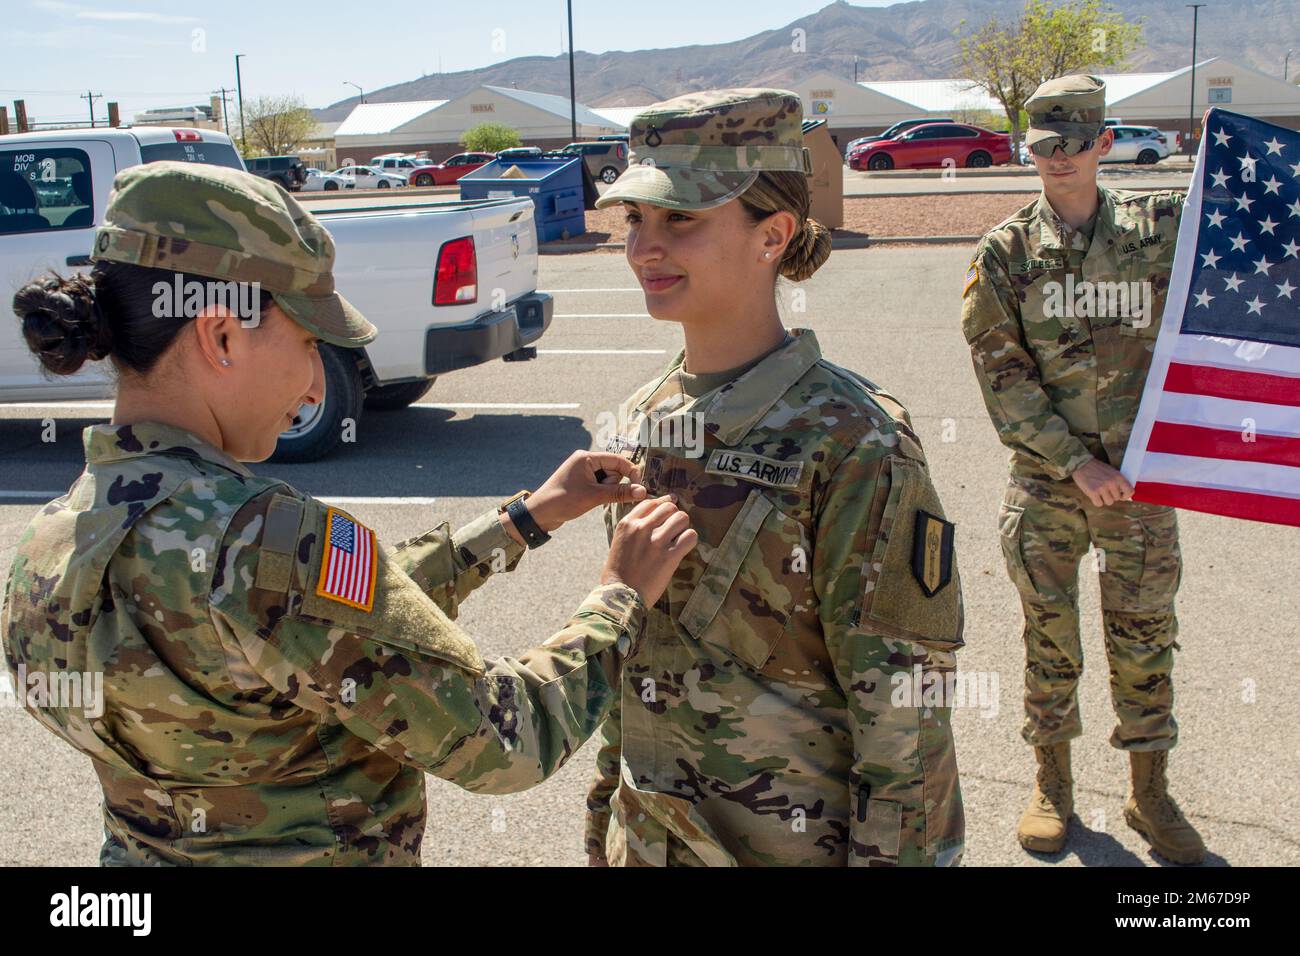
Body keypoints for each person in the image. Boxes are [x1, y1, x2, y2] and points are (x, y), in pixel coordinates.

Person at [1, 160, 697, 866]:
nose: (312, 384)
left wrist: (526, 519)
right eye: (308, 343)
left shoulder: (49, 543)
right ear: (220, 337)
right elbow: (505, 740)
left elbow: (316, 627)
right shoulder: (265, 540)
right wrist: (620, 598)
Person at [583, 89, 966, 866]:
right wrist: (603, 824)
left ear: (774, 235)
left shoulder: (856, 440)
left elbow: (906, 721)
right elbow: (632, 656)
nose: (644, 248)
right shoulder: (638, 416)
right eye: (635, 220)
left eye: (680, 219)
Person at [961, 75, 1205, 864]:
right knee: (1050, 638)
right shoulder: (1006, 251)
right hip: (1047, 487)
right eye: (1043, 147)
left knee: (1145, 638)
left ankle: (1148, 790)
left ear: (1104, 143)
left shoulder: (1157, 228)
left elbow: (1240, 230)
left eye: (1074, 144)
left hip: (1140, 484)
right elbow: (1001, 373)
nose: (1058, 160)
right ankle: (1052, 785)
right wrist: (1074, 464)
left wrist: (1231, 154)